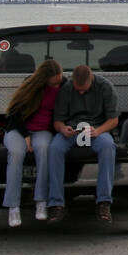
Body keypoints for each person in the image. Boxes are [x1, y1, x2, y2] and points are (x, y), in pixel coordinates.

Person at [46, 64, 119, 223]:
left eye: (83, 89)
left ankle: (104, 202)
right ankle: (56, 204)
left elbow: (113, 120)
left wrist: (98, 131)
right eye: (77, 89)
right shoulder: (66, 89)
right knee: (54, 149)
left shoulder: (105, 87)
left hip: (97, 129)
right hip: (72, 130)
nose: (80, 92)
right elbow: (57, 121)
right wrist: (63, 129)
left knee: (108, 147)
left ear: (91, 79)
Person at [2, 58, 64, 227]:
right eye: (52, 84)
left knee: (43, 150)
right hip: (19, 130)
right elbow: (14, 112)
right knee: (16, 153)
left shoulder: (64, 86)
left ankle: (41, 201)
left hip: (43, 131)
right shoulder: (31, 85)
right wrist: (25, 135)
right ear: (43, 79)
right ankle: (13, 206)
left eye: (58, 81)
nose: (55, 86)